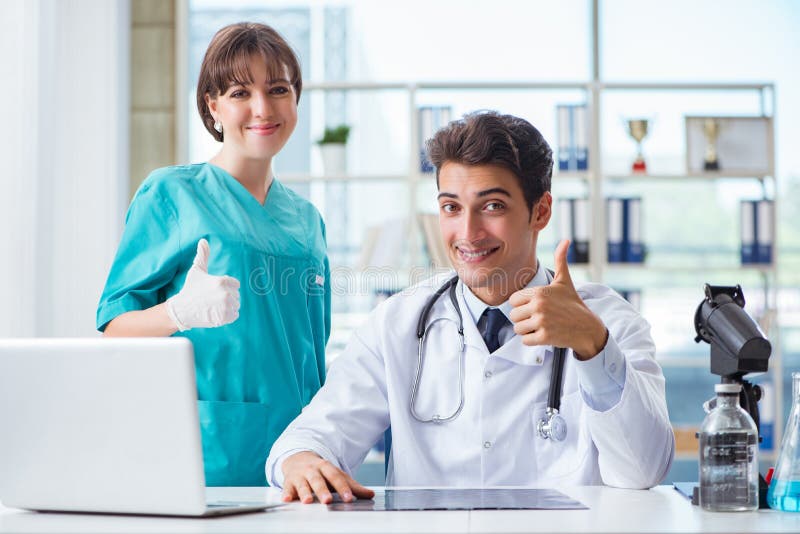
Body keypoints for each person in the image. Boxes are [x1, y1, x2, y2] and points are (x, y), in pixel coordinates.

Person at [265, 111, 675, 504]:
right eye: (451, 207)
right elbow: (311, 437)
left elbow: (644, 470)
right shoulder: (398, 322)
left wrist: (593, 346)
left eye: (492, 206)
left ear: (541, 211)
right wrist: (301, 460)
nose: (468, 233)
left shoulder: (608, 321)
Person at [97, 22, 330, 486]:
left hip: (298, 462)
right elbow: (115, 328)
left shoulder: (307, 219)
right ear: (213, 106)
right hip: (209, 455)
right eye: (240, 92)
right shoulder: (172, 194)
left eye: (278, 89)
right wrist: (177, 313)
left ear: (296, 98)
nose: (262, 108)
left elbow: (314, 351)